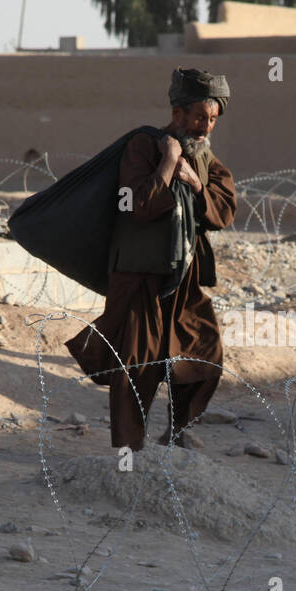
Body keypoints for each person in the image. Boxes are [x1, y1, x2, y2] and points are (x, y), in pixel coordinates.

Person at [65, 67, 237, 451]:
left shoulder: (207, 161)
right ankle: (130, 452)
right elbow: (137, 204)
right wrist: (167, 164)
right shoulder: (144, 147)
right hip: (139, 273)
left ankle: (175, 436)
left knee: (205, 352)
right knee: (137, 366)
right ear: (177, 114)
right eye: (197, 118)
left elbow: (223, 212)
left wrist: (194, 182)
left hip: (183, 278)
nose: (205, 128)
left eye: (212, 120)